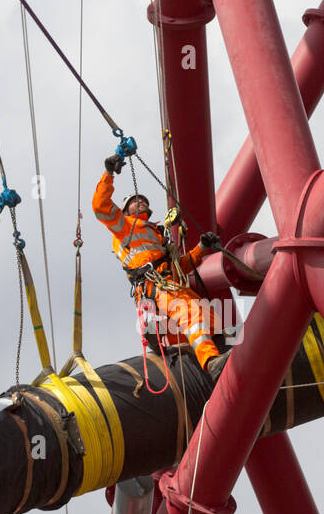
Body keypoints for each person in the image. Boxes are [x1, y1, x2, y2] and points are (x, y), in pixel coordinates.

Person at [93, 154, 228, 378]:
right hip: (156, 290)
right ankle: (212, 362)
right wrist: (109, 173)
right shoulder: (124, 226)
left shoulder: (157, 237)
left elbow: (179, 267)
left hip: (170, 285)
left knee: (210, 319)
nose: (141, 201)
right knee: (191, 314)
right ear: (126, 211)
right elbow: (100, 207)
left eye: (143, 199)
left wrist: (201, 248)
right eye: (135, 201)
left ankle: (214, 361)